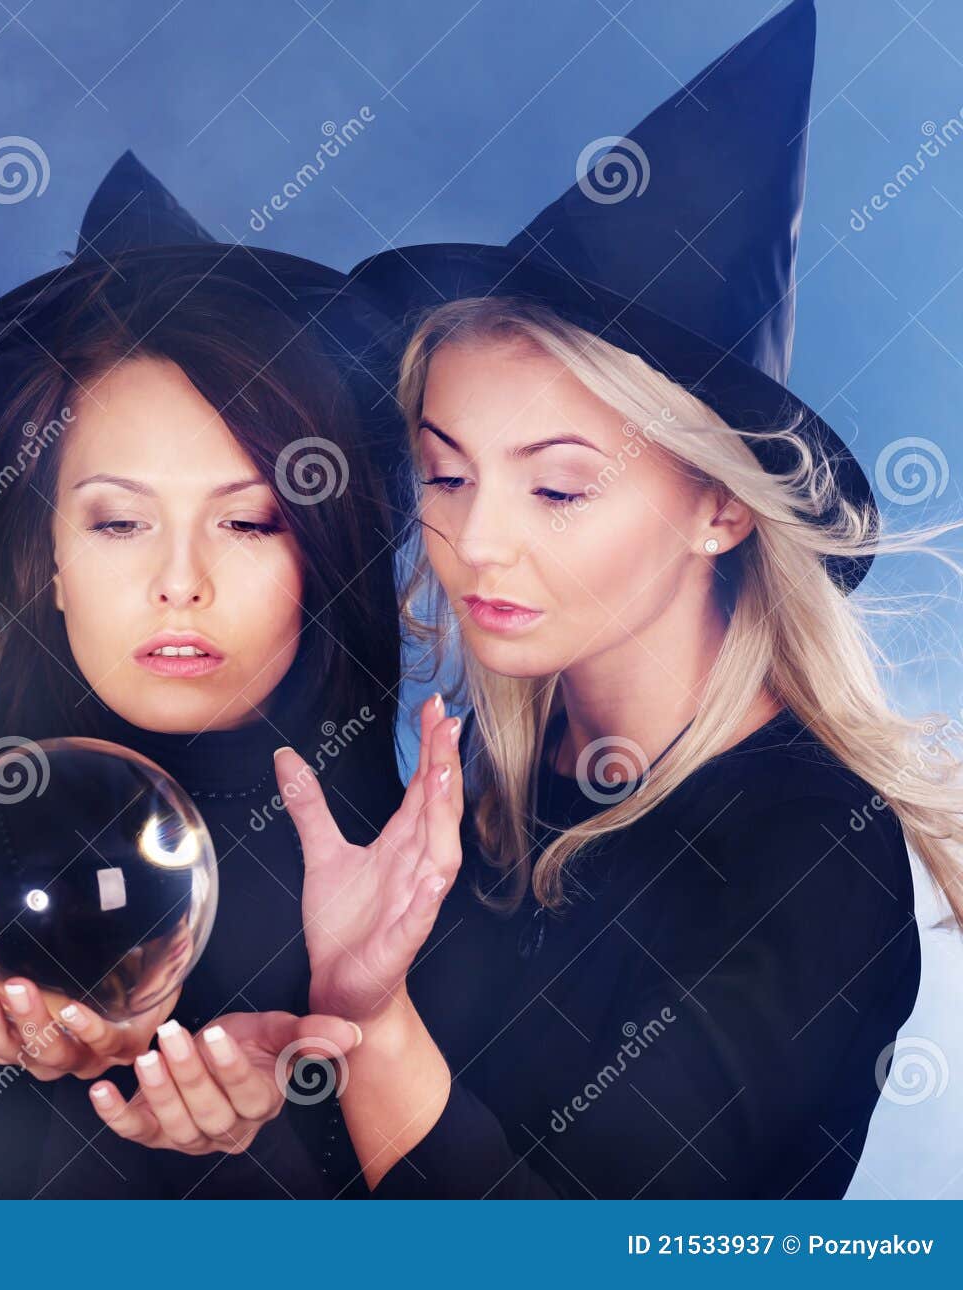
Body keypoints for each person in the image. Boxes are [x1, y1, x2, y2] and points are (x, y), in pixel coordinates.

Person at [259, 0, 961, 1198]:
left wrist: (369, 1019)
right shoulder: (497, 776)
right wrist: (250, 1095)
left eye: (559, 490)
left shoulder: (811, 859)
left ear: (719, 509)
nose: (475, 542)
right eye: (446, 473)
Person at [0, 153, 428, 1197]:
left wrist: (260, 1141)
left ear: (321, 555)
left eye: (246, 521)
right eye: (119, 522)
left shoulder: (423, 891)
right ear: (50, 556)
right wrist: (78, 1093)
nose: (179, 582)